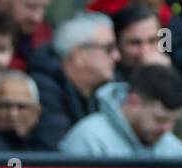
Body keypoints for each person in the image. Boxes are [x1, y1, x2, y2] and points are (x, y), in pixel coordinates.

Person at [59, 63, 182, 157]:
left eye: (173, 121)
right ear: (134, 101)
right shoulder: (90, 139)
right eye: (160, 119)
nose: (167, 129)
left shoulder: (175, 150)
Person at [31, 12, 120, 150]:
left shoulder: (108, 90)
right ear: (79, 55)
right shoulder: (44, 91)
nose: (117, 56)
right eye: (108, 49)